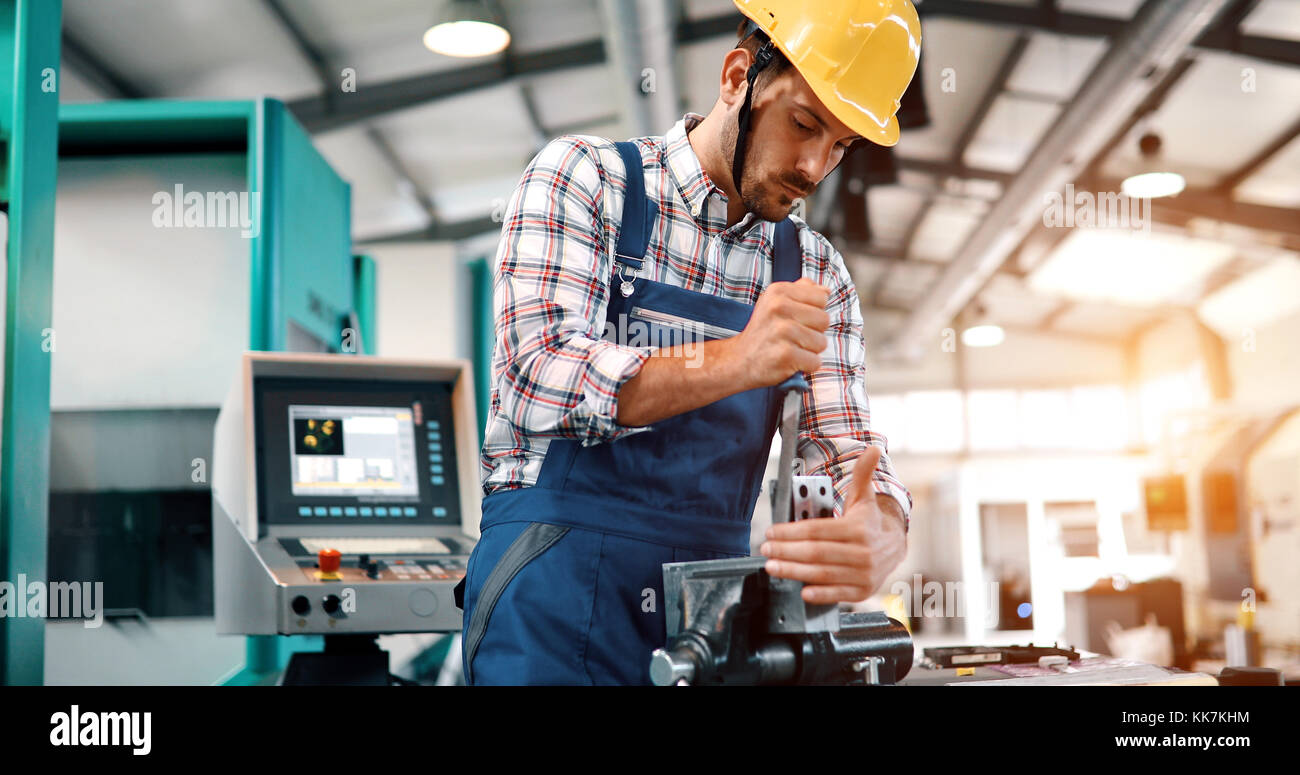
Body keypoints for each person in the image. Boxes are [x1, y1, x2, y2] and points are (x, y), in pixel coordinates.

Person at [457, 0, 922, 685]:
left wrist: (880, 526)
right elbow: (537, 376)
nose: (815, 167)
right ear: (738, 77)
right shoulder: (586, 180)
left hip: (712, 627)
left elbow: (843, 451)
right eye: (804, 125)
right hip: (548, 607)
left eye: (842, 146)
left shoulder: (816, 270)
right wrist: (738, 357)